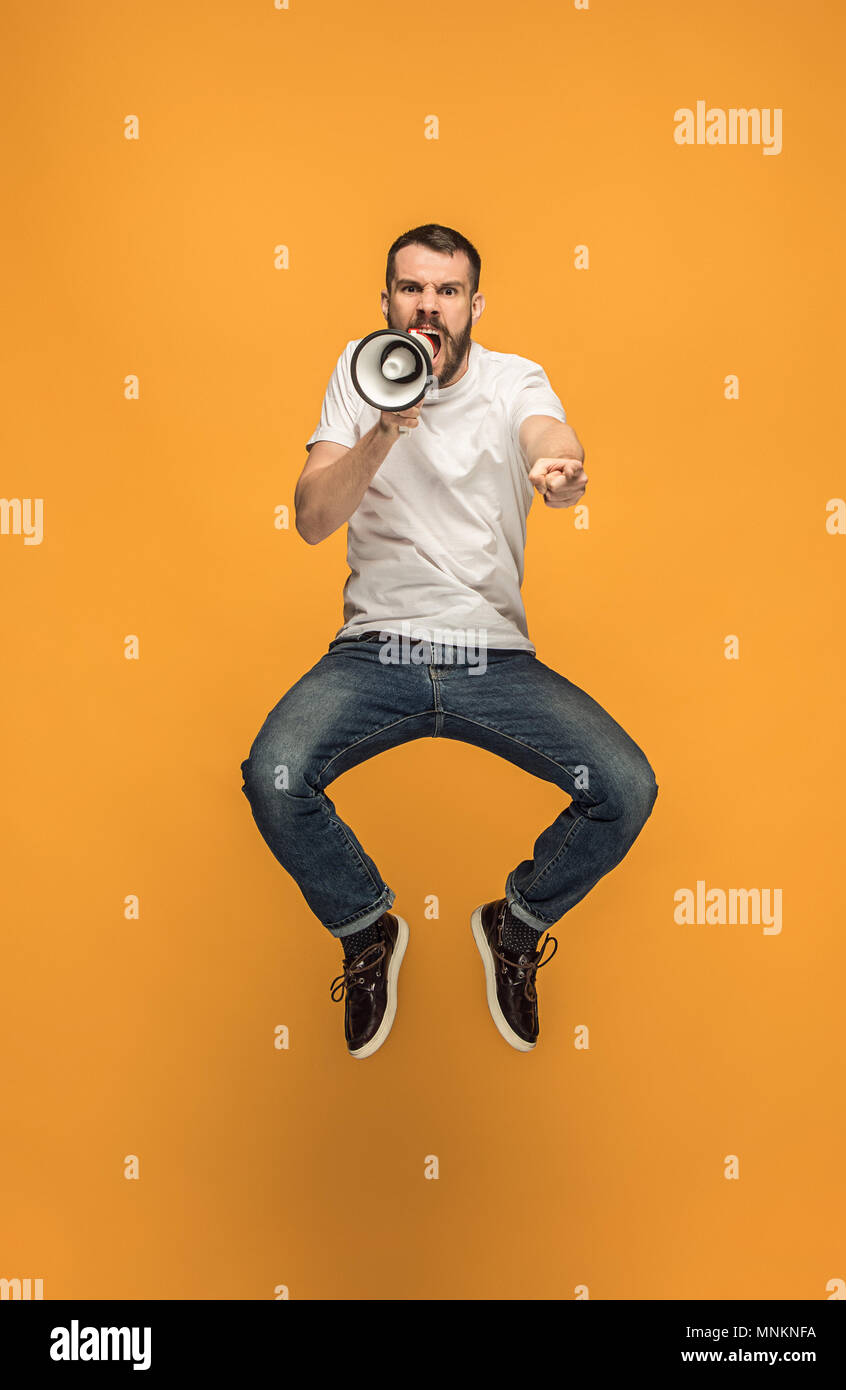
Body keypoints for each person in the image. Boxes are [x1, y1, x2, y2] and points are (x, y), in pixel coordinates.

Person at [240, 223, 658, 1060]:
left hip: (491, 660)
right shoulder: (361, 378)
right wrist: (387, 426)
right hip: (375, 653)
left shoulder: (513, 380)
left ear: (473, 304)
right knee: (273, 775)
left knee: (626, 786)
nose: (428, 306)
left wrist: (561, 468)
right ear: (387, 299)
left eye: (446, 291)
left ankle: (516, 923)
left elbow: (550, 438)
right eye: (411, 289)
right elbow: (313, 520)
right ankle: (366, 929)